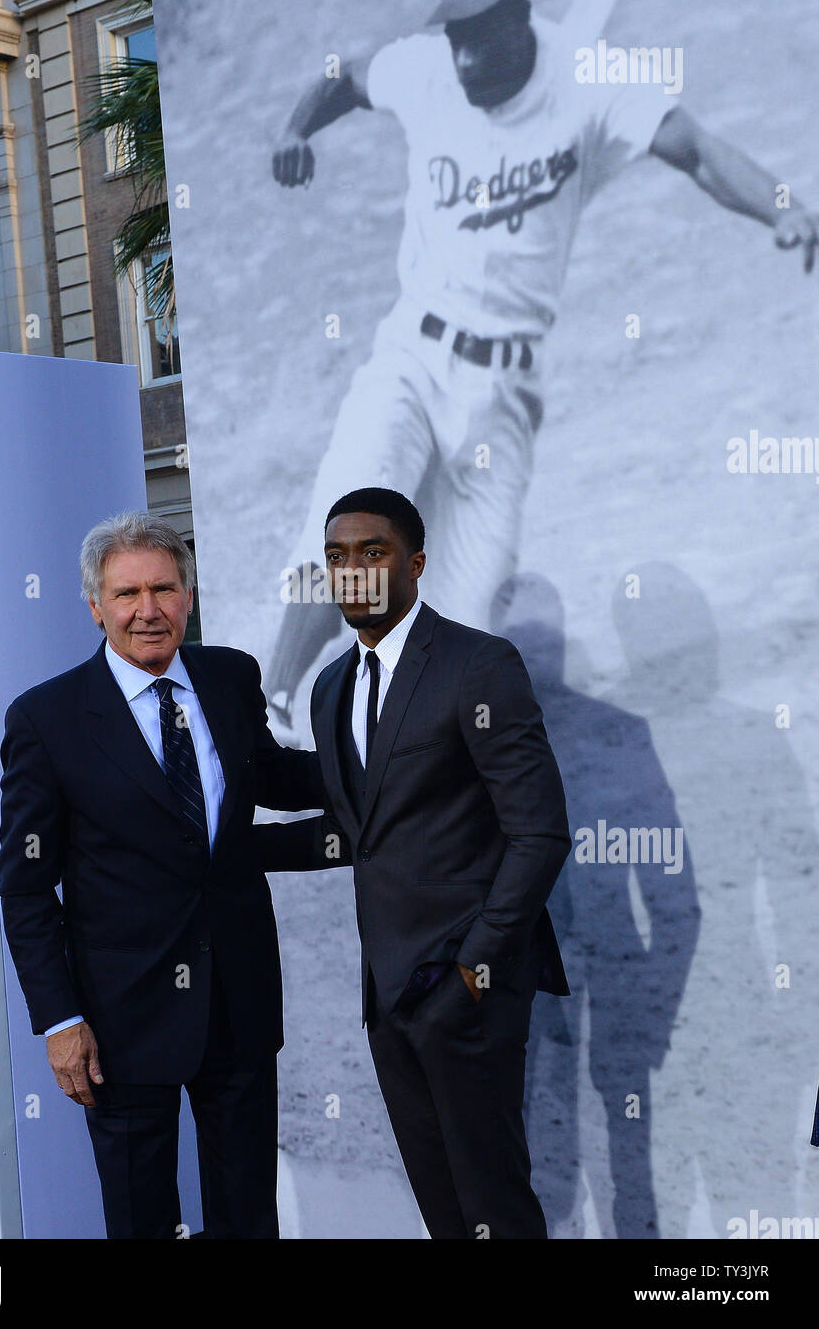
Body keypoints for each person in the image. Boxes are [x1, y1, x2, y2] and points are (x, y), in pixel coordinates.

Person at [266, 0, 819, 733]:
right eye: (451, 33)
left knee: (463, 625)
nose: (461, 54)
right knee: (359, 511)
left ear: (520, 18)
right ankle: (270, 704)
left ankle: (392, 771)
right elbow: (342, 77)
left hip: (505, 397)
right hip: (412, 359)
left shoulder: (587, 80)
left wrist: (781, 204)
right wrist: (294, 130)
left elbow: (693, 148)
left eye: (477, 33)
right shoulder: (425, 66)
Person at [0, 511, 322, 1239]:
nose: (148, 611)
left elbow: (269, 776)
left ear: (189, 593)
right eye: (126, 594)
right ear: (94, 606)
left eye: (165, 589)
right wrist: (60, 1019)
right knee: (143, 1219)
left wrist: (381, 761)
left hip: (237, 1002)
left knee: (247, 1215)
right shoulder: (46, 719)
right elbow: (24, 887)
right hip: (118, 1022)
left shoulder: (230, 676)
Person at [308, 486, 570, 1238]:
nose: (351, 570)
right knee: (444, 1212)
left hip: (466, 990)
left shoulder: (477, 665)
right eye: (335, 556)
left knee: (494, 1207)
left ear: (415, 563)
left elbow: (539, 833)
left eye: (371, 551)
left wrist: (474, 969)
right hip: (387, 997)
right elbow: (357, 828)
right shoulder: (332, 686)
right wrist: (217, 850)